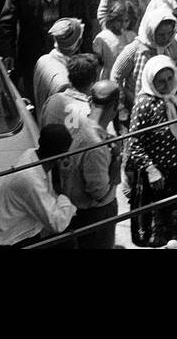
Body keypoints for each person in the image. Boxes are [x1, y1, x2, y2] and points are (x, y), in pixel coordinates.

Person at [123, 54, 177, 247]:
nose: (167, 85)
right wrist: (151, 169)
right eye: (160, 82)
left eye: (169, 79)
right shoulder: (143, 105)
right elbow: (134, 143)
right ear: (151, 81)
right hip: (160, 177)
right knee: (165, 226)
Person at [0, 124, 77, 249]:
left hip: (25, 234)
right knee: (68, 240)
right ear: (62, 155)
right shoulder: (31, 180)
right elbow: (57, 224)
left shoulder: (32, 155)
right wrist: (67, 180)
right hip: (14, 241)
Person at [60, 79, 123, 249]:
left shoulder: (76, 124)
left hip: (78, 211)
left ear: (89, 101)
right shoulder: (96, 146)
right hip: (96, 216)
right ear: (116, 106)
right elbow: (99, 193)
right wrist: (116, 163)